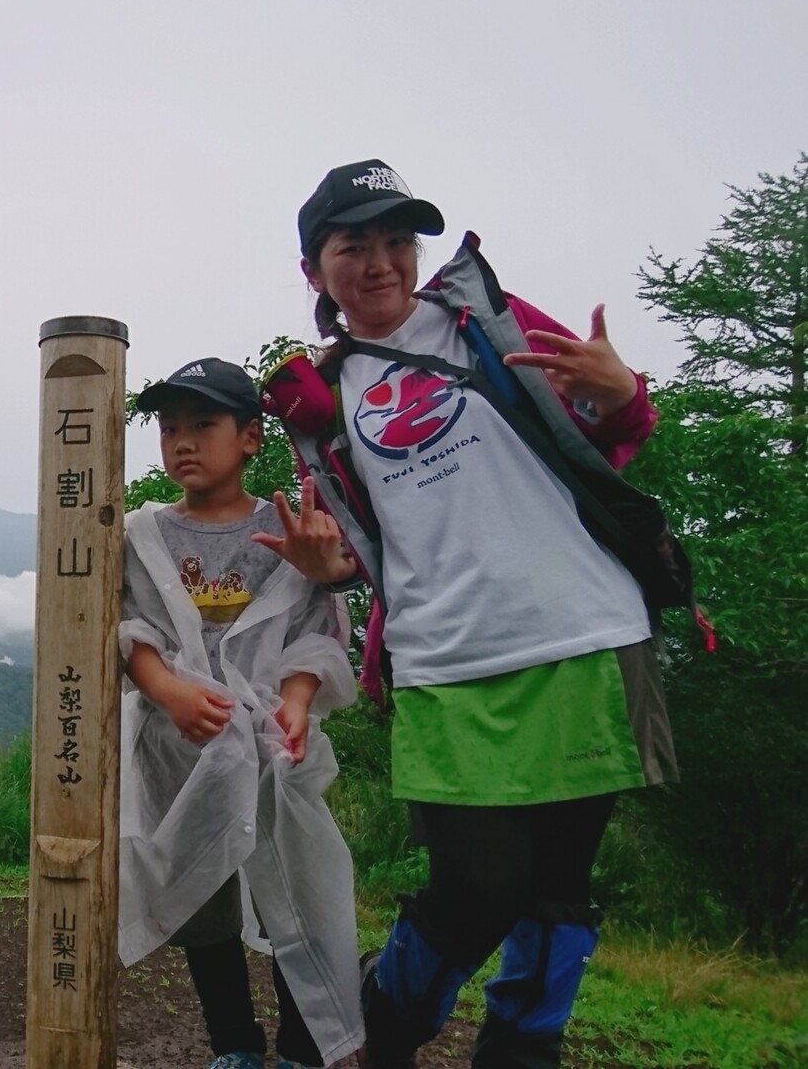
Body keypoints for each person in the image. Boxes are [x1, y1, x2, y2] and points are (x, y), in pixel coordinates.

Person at [257, 159, 679, 1069]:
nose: (380, 263)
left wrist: (622, 386)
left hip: (582, 633)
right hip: (444, 659)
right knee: (477, 889)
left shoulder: (491, 323)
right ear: (314, 270)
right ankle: (385, 1027)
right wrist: (325, 565)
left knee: (559, 891)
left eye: (397, 240)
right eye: (352, 246)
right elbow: (348, 539)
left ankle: (521, 1052)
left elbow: (610, 424)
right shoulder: (325, 400)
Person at [119, 356, 364, 1069]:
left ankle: (298, 1047)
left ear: (251, 437)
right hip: (177, 747)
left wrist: (293, 700)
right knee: (204, 899)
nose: (183, 442)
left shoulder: (288, 529)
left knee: (290, 884)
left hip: (271, 750)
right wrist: (170, 690)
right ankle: (234, 1046)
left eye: (203, 424)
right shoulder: (145, 534)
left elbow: (317, 630)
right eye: (169, 428)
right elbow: (133, 630)